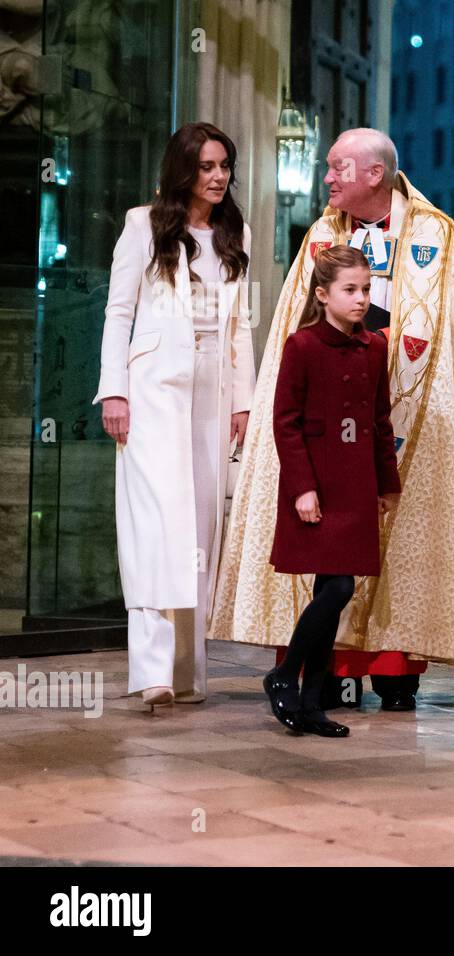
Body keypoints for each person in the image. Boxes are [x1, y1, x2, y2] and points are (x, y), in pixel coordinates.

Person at [212, 128, 454, 707]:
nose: (328, 178)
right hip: (328, 422)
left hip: (398, 418)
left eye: (338, 167)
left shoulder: (432, 233)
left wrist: (372, 346)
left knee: (399, 536)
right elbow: (298, 329)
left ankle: (392, 668)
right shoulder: (323, 234)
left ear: (375, 175)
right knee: (327, 558)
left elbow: (435, 331)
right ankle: (322, 669)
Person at [94, 122, 254, 710]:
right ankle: (152, 670)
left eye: (224, 166)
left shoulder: (237, 232)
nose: (218, 177)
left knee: (200, 529)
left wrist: (244, 399)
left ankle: (186, 673)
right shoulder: (144, 225)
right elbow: (117, 312)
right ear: (183, 169)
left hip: (213, 392)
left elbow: (241, 327)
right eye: (207, 166)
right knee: (156, 526)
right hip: (154, 390)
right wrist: (115, 390)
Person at [262, 245, 400, 738]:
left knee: (333, 590)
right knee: (338, 586)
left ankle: (310, 702)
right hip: (317, 486)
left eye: (366, 289)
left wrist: (387, 484)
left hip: (358, 485)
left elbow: (380, 421)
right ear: (323, 295)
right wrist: (302, 489)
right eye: (350, 290)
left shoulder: (375, 347)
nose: (361, 299)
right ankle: (284, 675)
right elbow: (286, 423)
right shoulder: (301, 346)